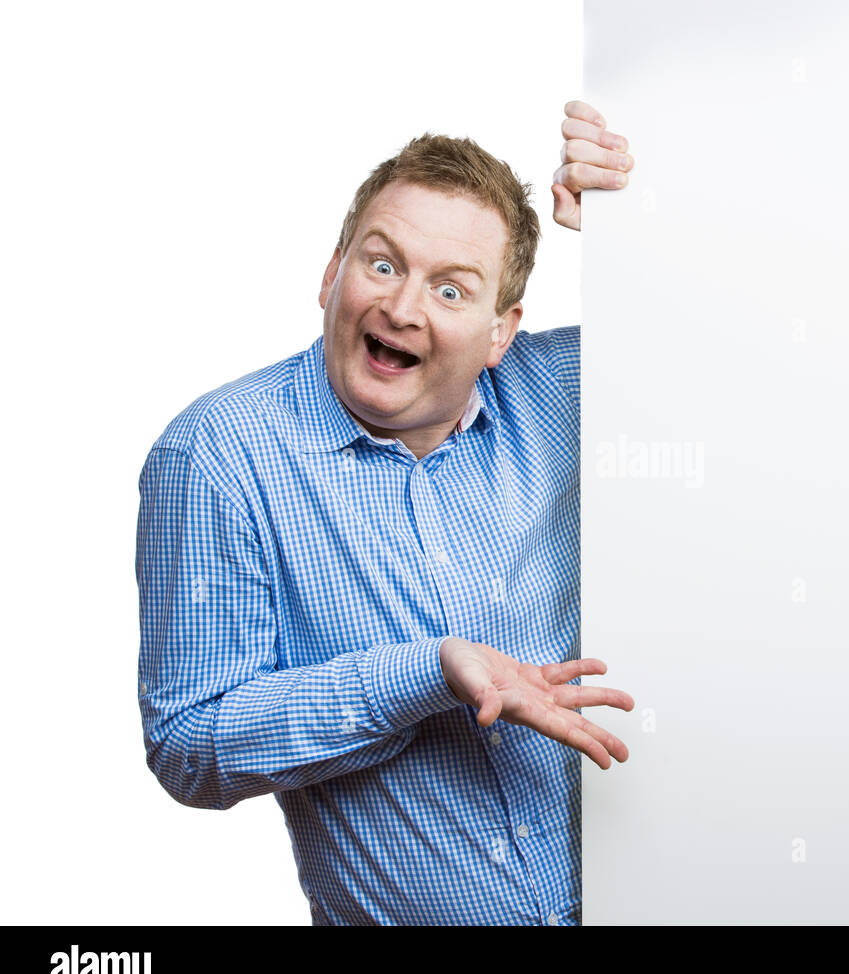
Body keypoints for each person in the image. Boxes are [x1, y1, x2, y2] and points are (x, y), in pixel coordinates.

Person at [135, 101, 636, 925]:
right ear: (331, 274)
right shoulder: (219, 455)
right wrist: (423, 674)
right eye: (381, 264)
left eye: (450, 288)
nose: (403, 309)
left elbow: (742, 351)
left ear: (501, 332)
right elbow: (190, 743)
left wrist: (635, 237)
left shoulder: (560, 391)